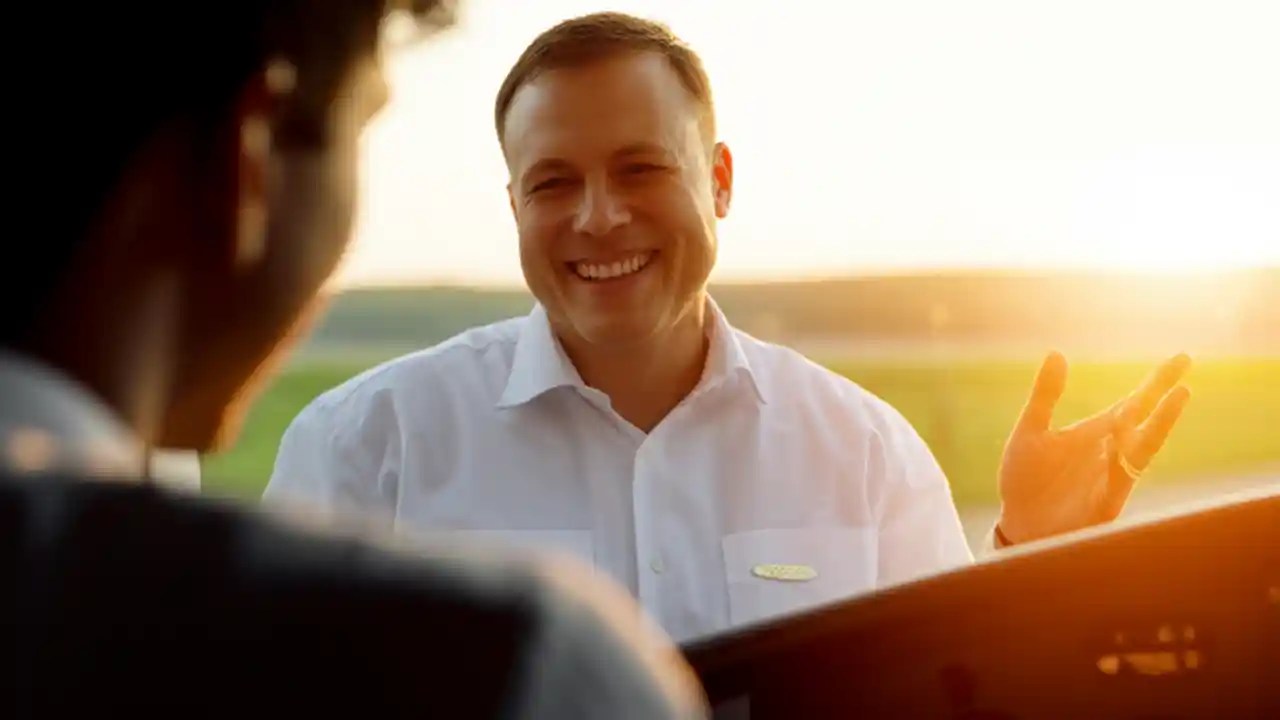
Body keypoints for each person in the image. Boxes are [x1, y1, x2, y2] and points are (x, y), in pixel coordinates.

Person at [265, 12, 1192, 643]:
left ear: (719, 182)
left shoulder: (866, 455)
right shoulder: (365, 452)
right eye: (554, 183)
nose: (598, 217)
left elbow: (956, 690)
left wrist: (1025, 554)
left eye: (640, 170)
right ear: (514, 205)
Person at [1, 2, 705, 717]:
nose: (599, 217)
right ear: (247, 154)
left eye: (642, 169)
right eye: (360, 128)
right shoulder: (519, 661)